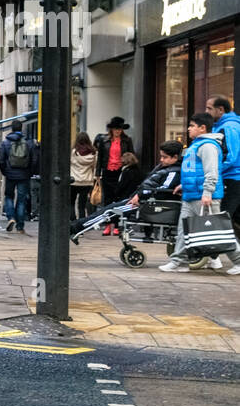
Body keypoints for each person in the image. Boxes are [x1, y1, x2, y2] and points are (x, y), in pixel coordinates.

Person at [162, 112, 240, 275]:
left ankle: (238, 261)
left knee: (219, 231)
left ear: (202, 128)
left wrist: (207, 192)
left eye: (192, 126)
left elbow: (211, 172)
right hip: (191, 194)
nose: (189, 129)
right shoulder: (196, 145)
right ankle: (179, 262)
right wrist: (184, 184)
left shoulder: (208, 146)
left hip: (204, 196)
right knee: (184, 230)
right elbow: (193, 169)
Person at [71, 141, 182, 240]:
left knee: (109, 212)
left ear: (175, 157)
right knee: (109, 210)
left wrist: (140, 195)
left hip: (146, 203)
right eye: (161, 156)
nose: (161, 159)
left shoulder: (173, 172)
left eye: (165, 157)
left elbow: (162, 190)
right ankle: (76, 226)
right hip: (144, 201)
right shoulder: (167, 168)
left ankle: (77, 227)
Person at [205, 95, 240, 253]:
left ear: (221, 110)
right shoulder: (224, 126)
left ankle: (215, 256)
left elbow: (230, 156)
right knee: (230, 217)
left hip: (233, 178)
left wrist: (214, 171)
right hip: (233, 177)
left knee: (223, 217)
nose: (206, 111)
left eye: (209, 108)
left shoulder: (229, 127)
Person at [0, 119, 39, 233]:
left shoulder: (5, 143)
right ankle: (20, 226)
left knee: (9, 196)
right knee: (21, 200)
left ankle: (11, 217)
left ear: (12, 129)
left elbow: (0, 160)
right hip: (24, 175)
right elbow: (34, 160)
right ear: (21, 128)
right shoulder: (28, 143)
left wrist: (5, 171)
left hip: (10, 175)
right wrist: (30, 172)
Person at [95, 117, 134, 209]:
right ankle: (107, 217)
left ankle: (117, 217)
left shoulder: (127, 140)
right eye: (116, 129)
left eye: (120, 129)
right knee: (107, 196)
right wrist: (97, 173)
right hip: (107, 171)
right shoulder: (103, 140)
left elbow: (131, 155)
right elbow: (100, 157)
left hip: (121, 171)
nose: (118, 131)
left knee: (119, 195)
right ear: (111, 129)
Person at [70, 132, 97, 220]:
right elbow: (94, 166)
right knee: (82, 205)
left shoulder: (73, 152)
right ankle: (81, 223)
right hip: (86, 182)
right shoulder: (93, 152)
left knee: (71, 203)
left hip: (74, 181)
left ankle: (72, 221)